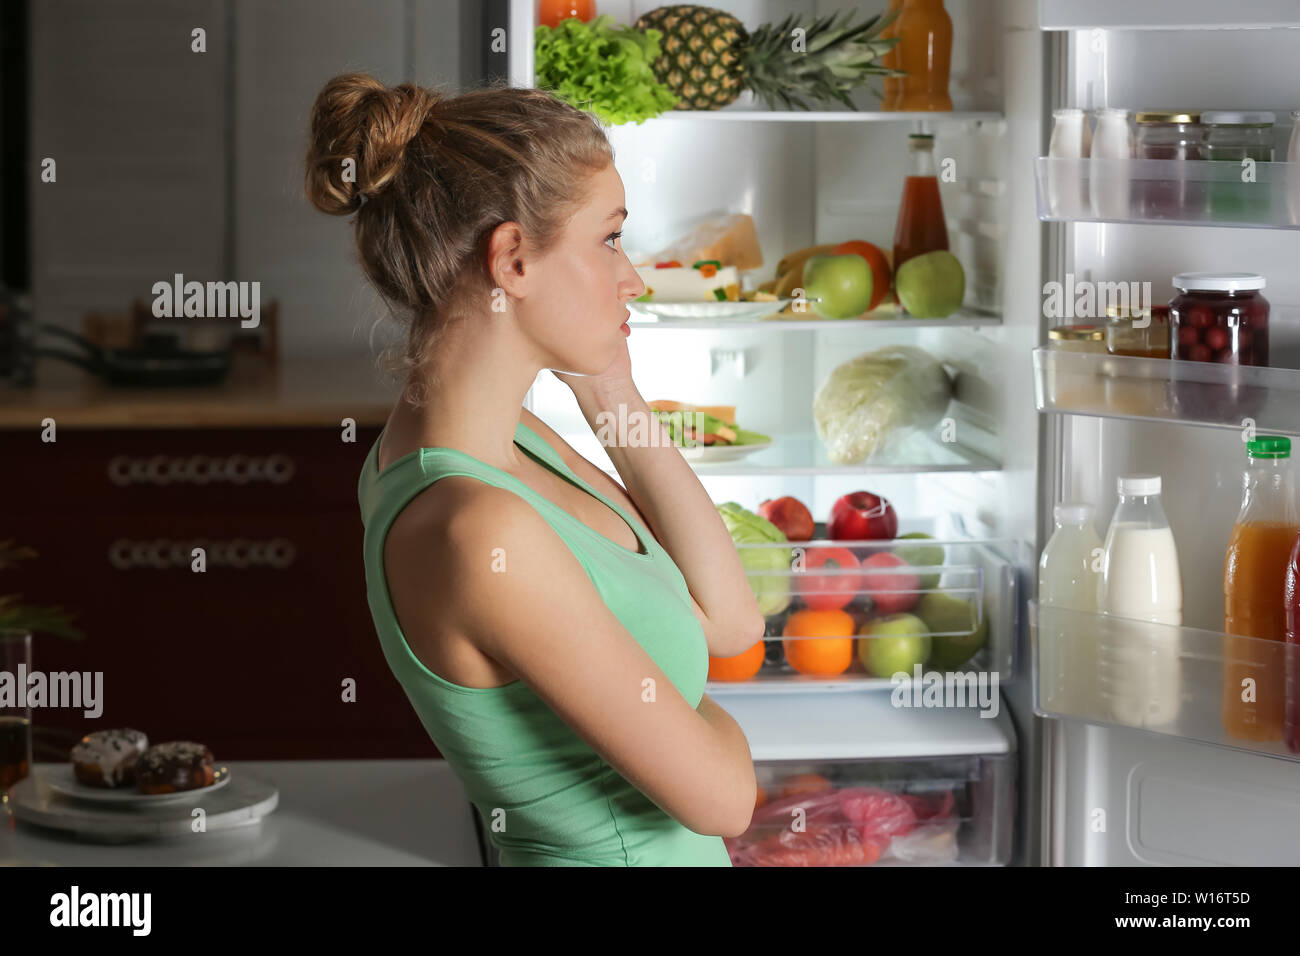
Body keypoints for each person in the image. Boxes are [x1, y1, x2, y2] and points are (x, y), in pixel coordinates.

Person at [304, 73, 764, 866]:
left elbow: (729, 623)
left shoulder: (501, 441)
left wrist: (610, 388)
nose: (634, 279)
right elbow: (725, 801)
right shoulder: (481, 530)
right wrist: (698, 722)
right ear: (513, 260)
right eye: (610, 239)